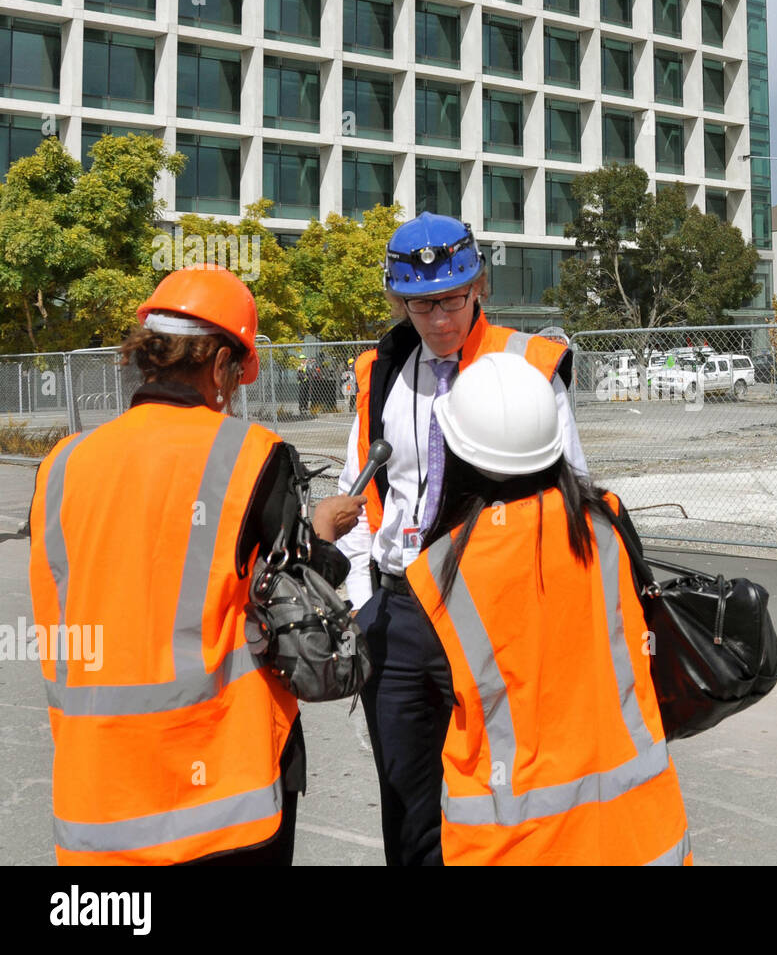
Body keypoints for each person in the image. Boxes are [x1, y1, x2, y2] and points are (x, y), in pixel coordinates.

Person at [27, 266, 365, 866]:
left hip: (97, 785)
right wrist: (324, 536)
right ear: (218, 368)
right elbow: (302, 600)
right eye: (236, 375)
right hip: (223, 789)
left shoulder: (61, 466)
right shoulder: (252, 455)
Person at [336, 211, 587, 865]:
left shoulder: (525, 367)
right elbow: (361, 489)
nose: (439, 317)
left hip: (492, 616)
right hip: (398, 614)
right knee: (407, 803)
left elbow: (573, 500)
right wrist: (366, 597)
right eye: (421, 305)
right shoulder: (384, 372)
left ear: (478, 286)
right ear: (400, 303)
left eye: (450, 299)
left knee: (502, 794)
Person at [406, 353, 691, 865]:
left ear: (456, 452)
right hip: (644, 834)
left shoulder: (438, 574)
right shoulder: (607, 523)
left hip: (518, 847)